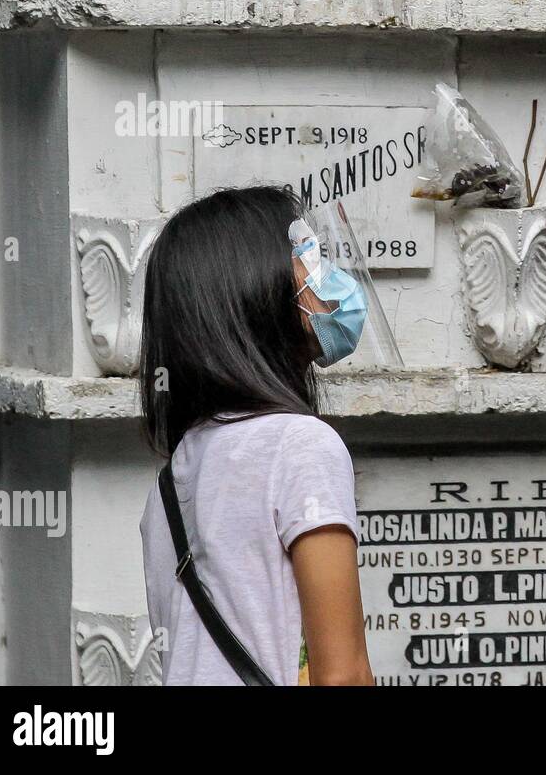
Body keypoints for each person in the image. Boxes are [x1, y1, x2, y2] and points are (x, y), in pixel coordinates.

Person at [138, 185, 374, 685]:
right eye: (305, 256)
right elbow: (344, 676)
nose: (323, 277)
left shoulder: (174, 475)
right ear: (255, 290)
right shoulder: (300, 446)